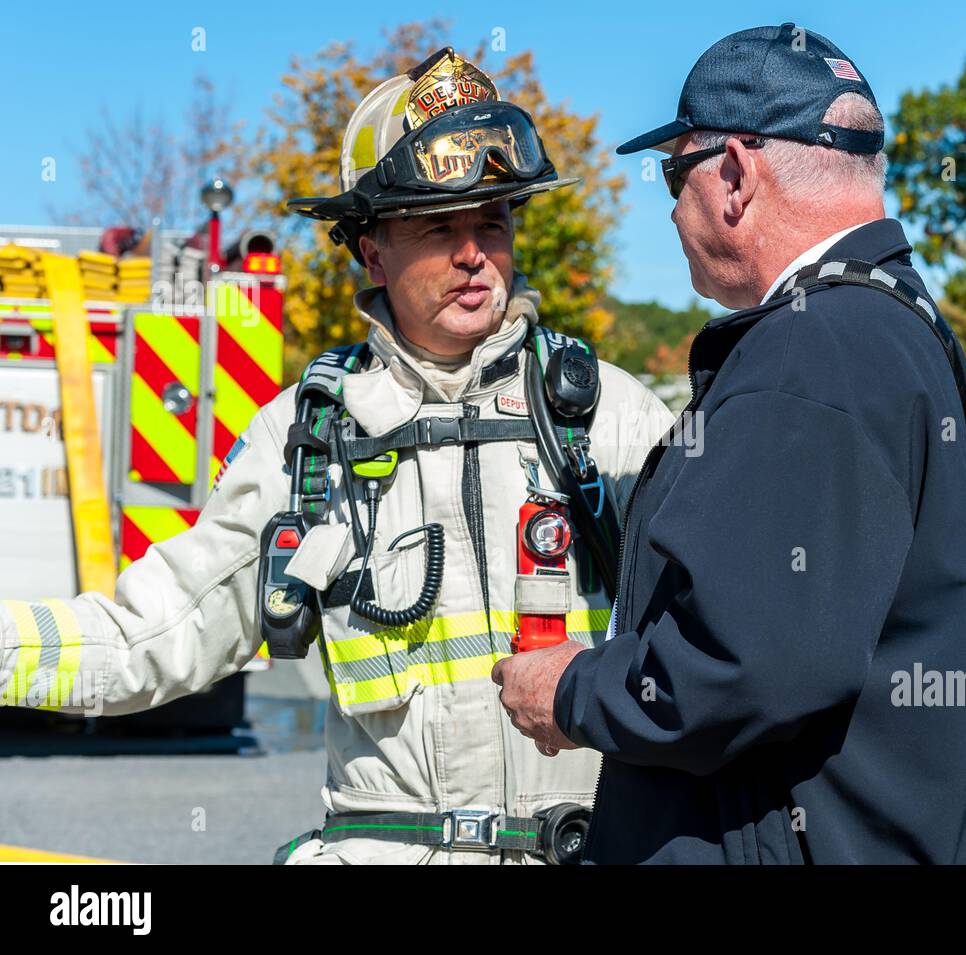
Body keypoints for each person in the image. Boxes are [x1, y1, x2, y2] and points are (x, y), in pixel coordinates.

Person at [0, 48, 674, 865]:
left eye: (492, 221)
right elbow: (157, 631)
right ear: (371, 250)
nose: (474, 253)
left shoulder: (606, 414)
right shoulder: (307, 437)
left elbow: (731, 641)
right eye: (439, 224)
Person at [493, 24, 966, 864]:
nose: (671, 207)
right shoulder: (896, 328)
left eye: (677, 174)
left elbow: (737, 667)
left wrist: (568, 691)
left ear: (736, 174)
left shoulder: (812, 349)